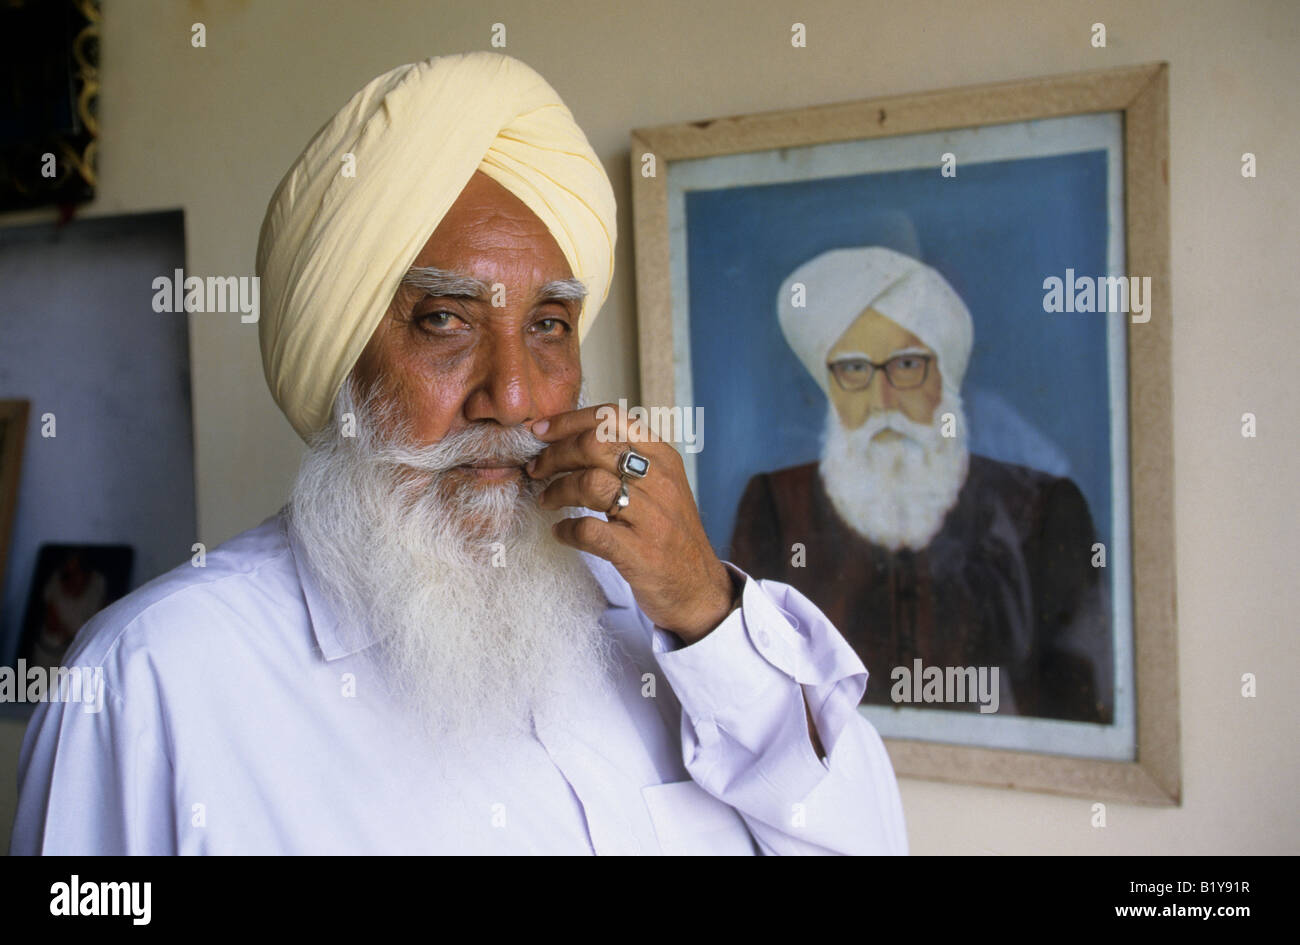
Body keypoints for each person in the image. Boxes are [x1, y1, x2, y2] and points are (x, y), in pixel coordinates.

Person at [10, 53, 907, 855]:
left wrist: (708, 609)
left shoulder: (657, 615)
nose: (512, 397)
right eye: (445, 321)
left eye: (548, 325)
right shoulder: (153, 682)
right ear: (339, 361)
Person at [730, 247, 1112, 722]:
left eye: (907, 366)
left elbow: (1076, 708)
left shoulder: (1041, 509)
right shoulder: (775, 504)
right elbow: (749, 696)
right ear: (829, 386)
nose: (881, 399)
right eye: (853, 369)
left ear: (945, 376)